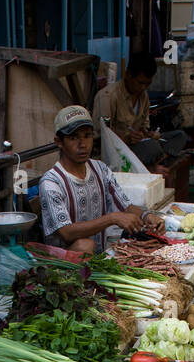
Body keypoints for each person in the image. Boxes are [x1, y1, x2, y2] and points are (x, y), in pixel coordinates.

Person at [38, 105, 166, 253]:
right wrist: (112, 218)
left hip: (97, 257)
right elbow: (67, 232)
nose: (83, 145)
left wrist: (147, 216)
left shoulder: (100, 169)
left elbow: (124, 205)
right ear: (59, 142)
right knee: (85, 245)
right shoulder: (52, 182)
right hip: (64, 264)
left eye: (87, 136)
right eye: (73, 138)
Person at [91, 52, 163, 168]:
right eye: (140, 83)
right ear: (128, 75)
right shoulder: (107, 96)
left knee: (178, 136)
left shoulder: (143, 96)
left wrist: (147, 134)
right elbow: (100, 137)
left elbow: (144, 126)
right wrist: (126, 139)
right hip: (111, 155)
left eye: (147, 84)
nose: (143, 88)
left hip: (134, 148)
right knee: (153, 149)